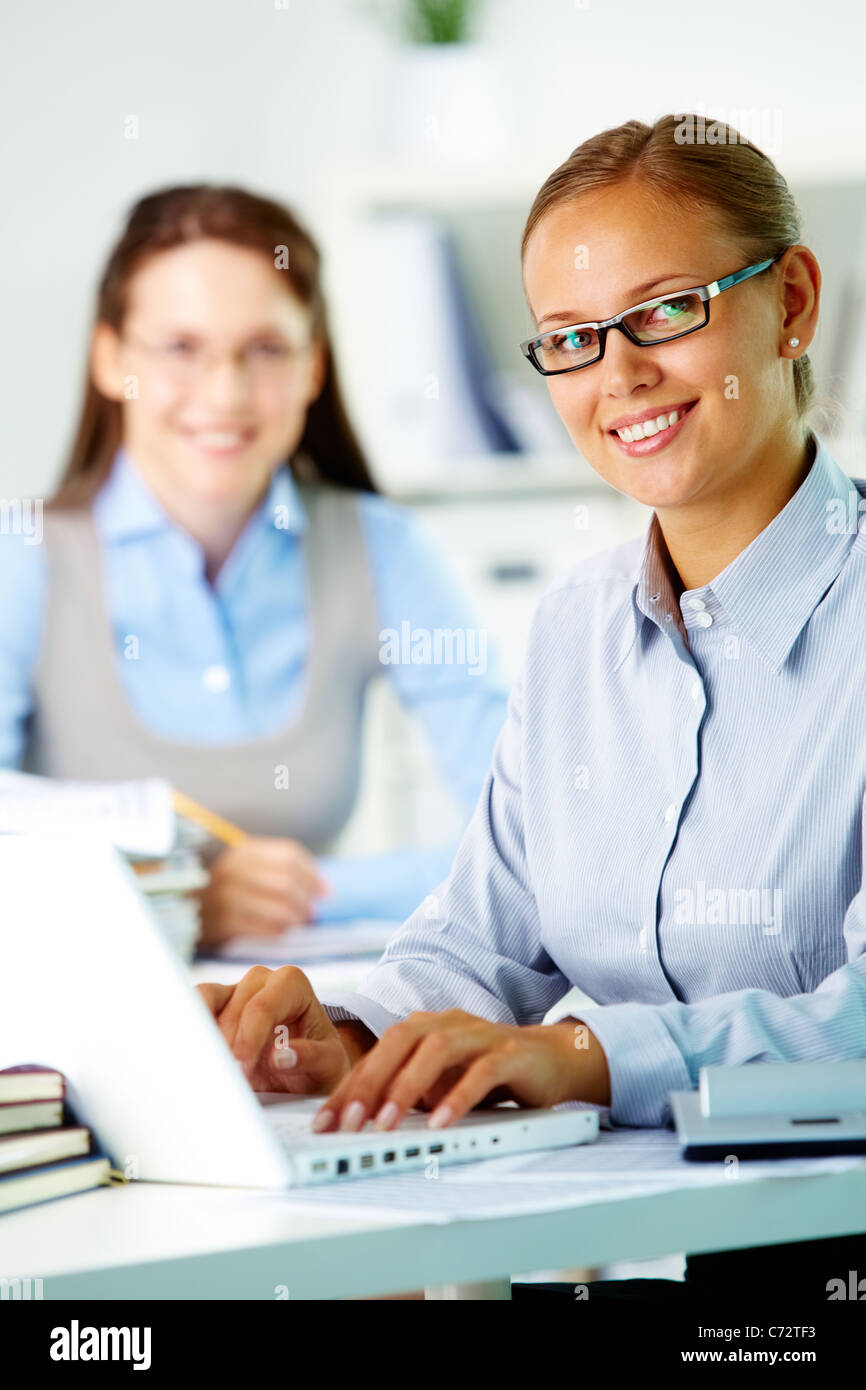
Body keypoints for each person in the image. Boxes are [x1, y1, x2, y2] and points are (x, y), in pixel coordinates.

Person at [198, 112, 866, 1299]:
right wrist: (337, 1035)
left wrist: (579, 1054)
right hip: (597, 1257)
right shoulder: (574, 628)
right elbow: (476, 944)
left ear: (793, 301)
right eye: (568, 338)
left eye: (665, 310)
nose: (619, 376)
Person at [0, 185, 509, 944]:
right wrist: (176, 898)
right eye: (180, 348)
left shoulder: (382, 548)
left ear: (313, 368)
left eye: (265, 349)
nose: (226, 392)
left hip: (312, 1007)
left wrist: (302, 891)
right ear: (111, 361)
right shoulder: (25, 559)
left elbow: (523, 830)